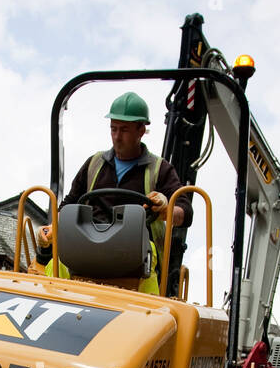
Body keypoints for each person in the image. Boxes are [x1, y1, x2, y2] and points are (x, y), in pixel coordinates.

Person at [37, 92, 188, 295]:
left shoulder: (160, 169)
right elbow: (69, 204)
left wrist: (166, 208)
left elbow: (185, 212)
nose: (117, 136)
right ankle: (51, 299)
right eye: (113, 128)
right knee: (60, 258)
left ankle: (148, 308)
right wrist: (51, 227)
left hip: (135, 249)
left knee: (148, 257)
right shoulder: (94, 164)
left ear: (141, 130)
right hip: (87, 244)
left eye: (124, 130)